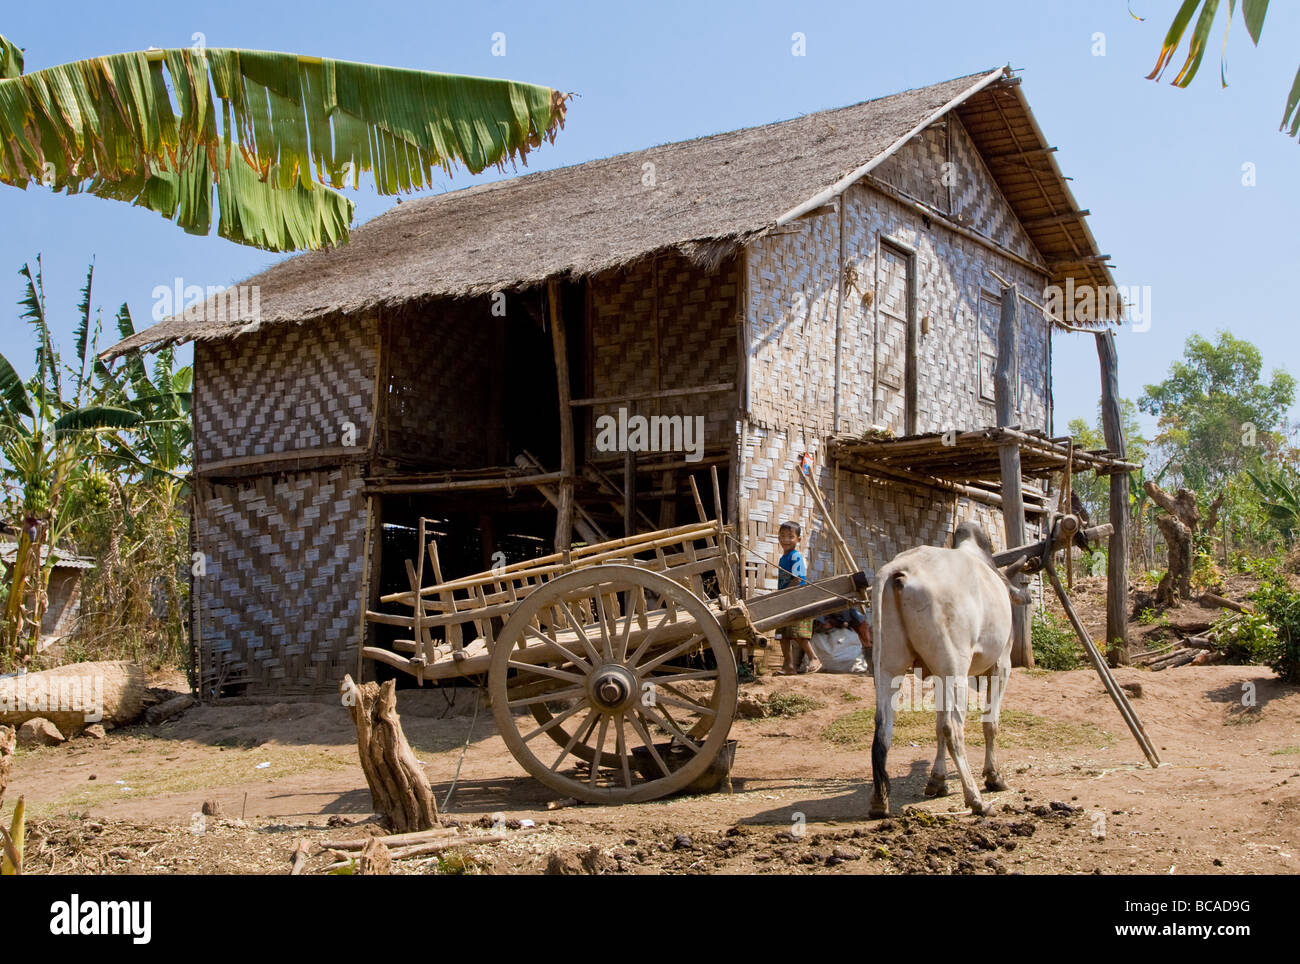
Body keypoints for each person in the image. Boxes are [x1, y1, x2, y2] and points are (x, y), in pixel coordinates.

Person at [775, 521, 821, 675]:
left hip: (797, 600)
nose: (786, 540)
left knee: (799, 634)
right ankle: (788, 666)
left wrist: (784, 593)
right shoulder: (783, 558)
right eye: (782, 536)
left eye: (790, 536)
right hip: (785, 601)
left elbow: (797, 579)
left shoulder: (796, 557)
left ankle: (814, 658)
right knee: (783, 635)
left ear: (798, 539)